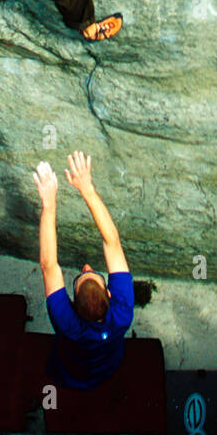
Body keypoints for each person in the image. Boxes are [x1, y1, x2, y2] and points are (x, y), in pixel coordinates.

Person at [33, 151, 134, 390]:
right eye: (93, 273)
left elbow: (50, 266)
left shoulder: (67, 324)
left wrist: (49, 205)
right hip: (109, 361)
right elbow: (113, 242)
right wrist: (86, 188)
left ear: (72, 303)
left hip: (70, 367)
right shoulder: (122, 314)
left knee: (63, 370)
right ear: (109, 294)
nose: (87, 266)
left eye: (82, 274)